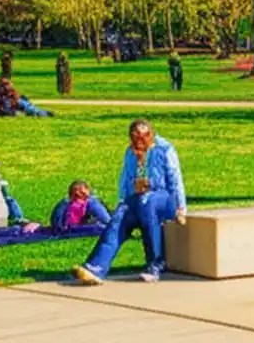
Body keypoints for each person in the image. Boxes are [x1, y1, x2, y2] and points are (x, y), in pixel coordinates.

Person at [73, 119, 187, 285]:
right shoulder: (130, 152)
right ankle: (96, 268)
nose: (137, 145)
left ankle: (155, 265)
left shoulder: (165, 149)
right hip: (139, 199)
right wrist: (122, 202)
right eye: (134, 140)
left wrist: (180, 207)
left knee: (148, 203)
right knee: (120, 216)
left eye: (141, 140)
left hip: (164, 198)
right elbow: (125, 179)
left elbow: (176, 180)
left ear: (149, 136)